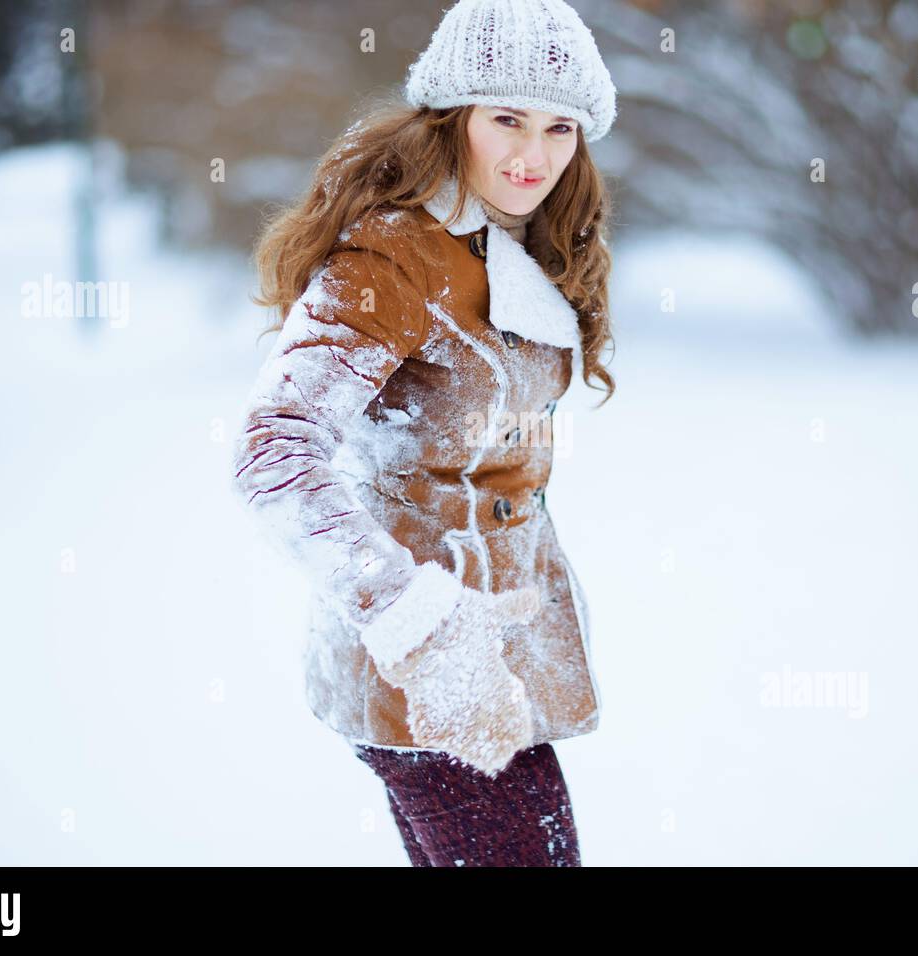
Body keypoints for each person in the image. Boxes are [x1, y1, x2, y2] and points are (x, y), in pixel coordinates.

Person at [228, 0, 618, 867]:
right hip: (429, 673)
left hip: (492, 656)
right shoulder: (398, 252)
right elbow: (273, 453)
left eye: (560, 128)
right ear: (455, 117)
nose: (533, 155)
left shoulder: (512, 245)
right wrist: (417, 623)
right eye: (506, 119)